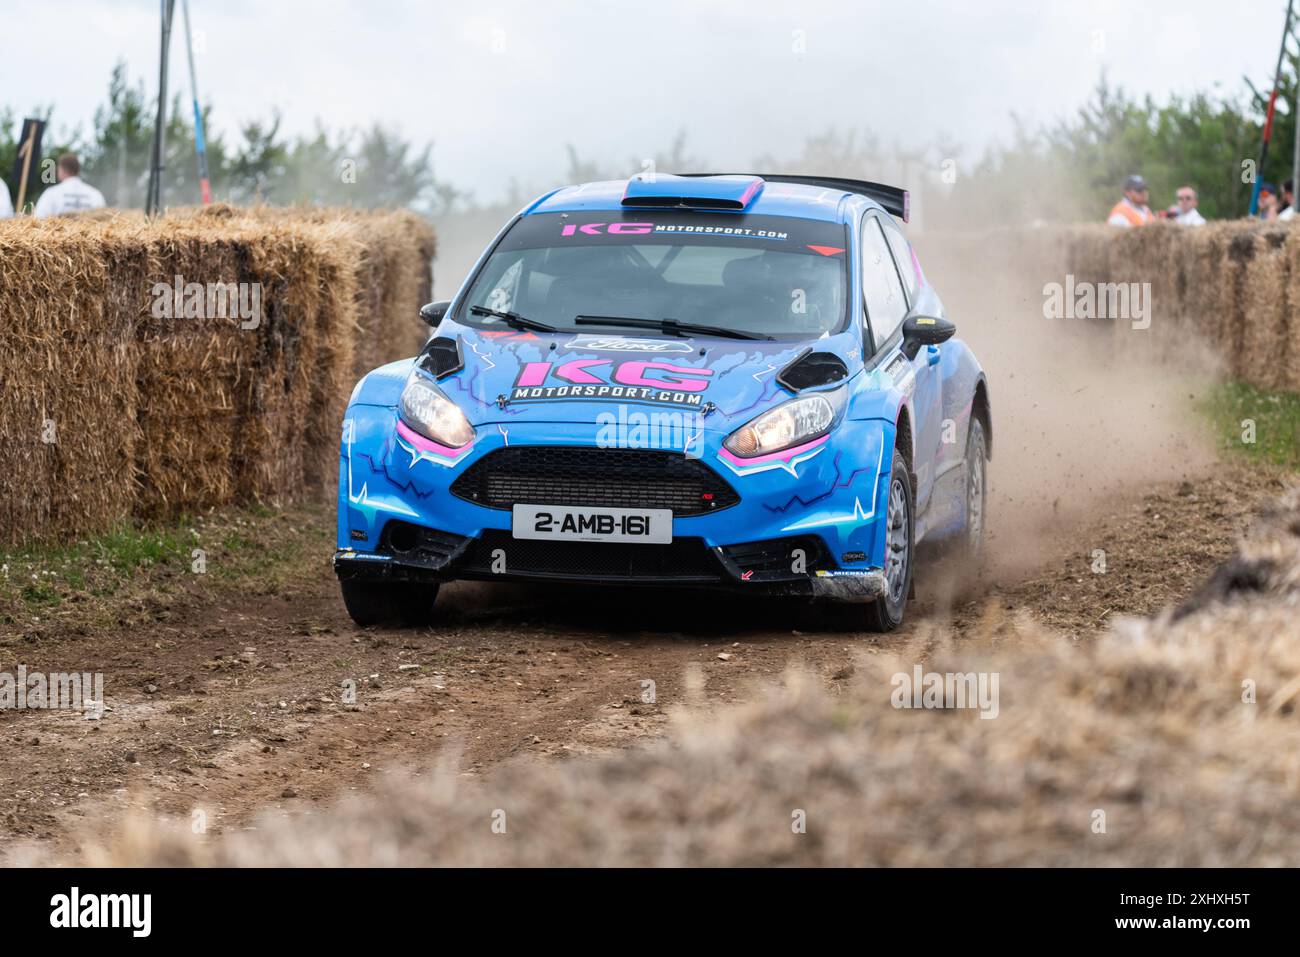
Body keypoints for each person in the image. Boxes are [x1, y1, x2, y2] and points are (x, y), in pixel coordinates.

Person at [32, 154, 106, 218]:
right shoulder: (95, 194)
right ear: (78, 170)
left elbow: (39, 218)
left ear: (62, 170)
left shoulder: (51, 193)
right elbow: (104, 218)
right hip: (91, 234)